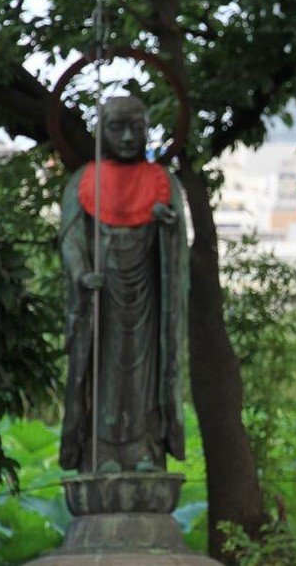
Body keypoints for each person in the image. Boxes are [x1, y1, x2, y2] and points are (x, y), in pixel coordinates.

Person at [59, 95, 187, 474]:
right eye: (118, 128)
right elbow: (70, 239)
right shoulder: (83, 181)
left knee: (145, 374)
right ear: (101, 131)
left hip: (148, 299)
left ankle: (146, 450)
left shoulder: (162, 182)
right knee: (101, 375)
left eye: (137, 128)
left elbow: (177, 244)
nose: (129, 136)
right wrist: (83, 273)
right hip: (101, 299)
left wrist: (166, 226)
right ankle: (101, 453)